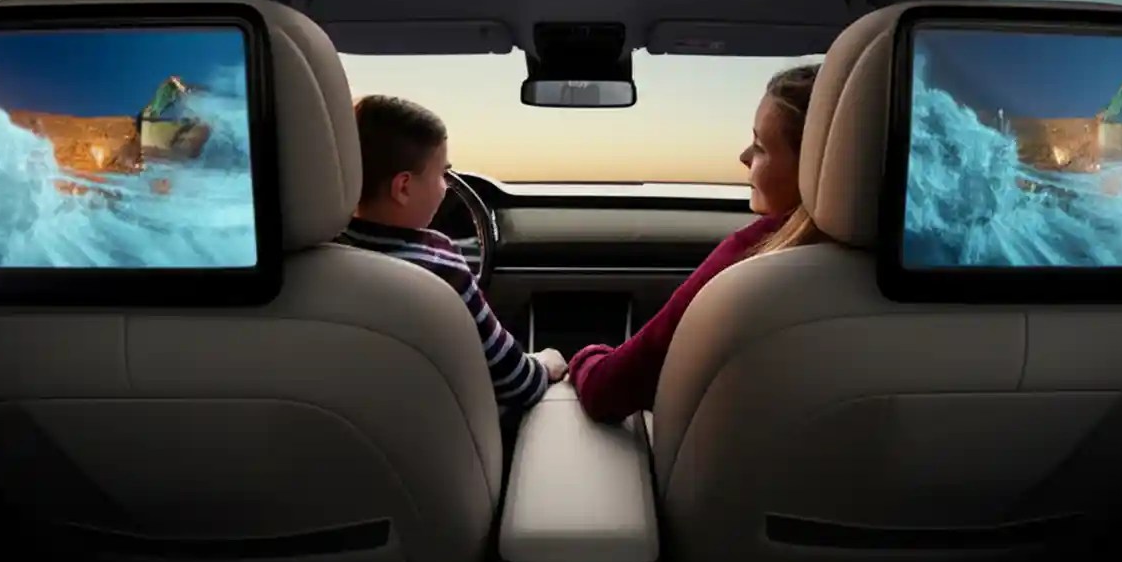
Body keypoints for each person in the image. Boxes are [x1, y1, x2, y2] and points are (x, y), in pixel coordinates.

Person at [567, 64, 824, 423]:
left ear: (816, 166)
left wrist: (584, 357)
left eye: (761, 147)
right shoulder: (919, 273)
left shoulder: (752, 258)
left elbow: (606, 391)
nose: (744, 157)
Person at [337, 95, 569, 422]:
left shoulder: (306, 258)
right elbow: (517, 383)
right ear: (403, 187)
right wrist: (546, 364)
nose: (446, 187)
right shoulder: (440, 265)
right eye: (442, 174)